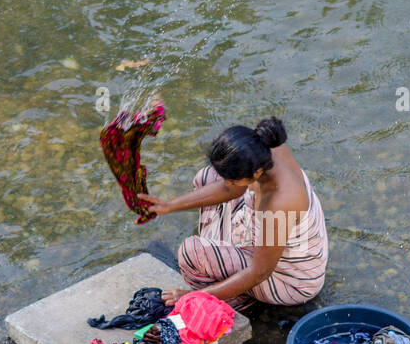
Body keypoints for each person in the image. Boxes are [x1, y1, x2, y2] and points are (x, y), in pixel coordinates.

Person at [138, 117, 328, 311]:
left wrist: (193, 296)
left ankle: (237, 301)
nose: (227, 183)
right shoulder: (264, 149)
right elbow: (232, 189)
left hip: (287, 280)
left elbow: (259, 272)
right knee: (206, 177)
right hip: (267, 241)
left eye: (233, 180)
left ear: (257, 173)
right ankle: (223, 270)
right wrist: (170, 205)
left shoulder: (280, 204)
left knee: (191, 252)